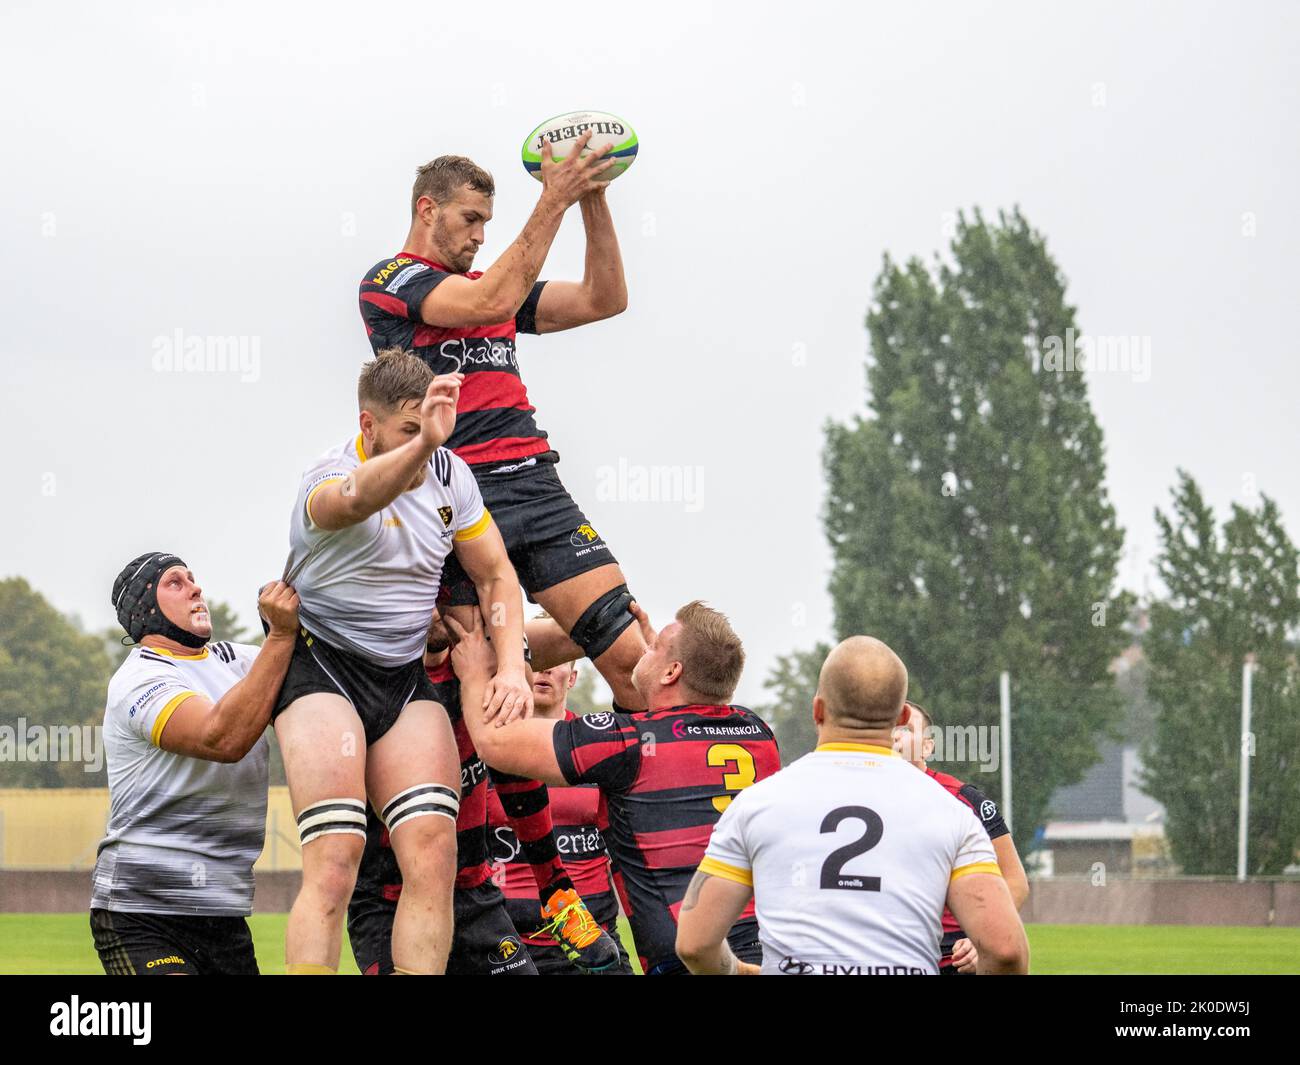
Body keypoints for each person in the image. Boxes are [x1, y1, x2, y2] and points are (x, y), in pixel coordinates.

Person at [357, 139, 647, 711]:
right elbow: (490, 300)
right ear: (427, 209)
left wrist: (591, 197)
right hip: (453, 494)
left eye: (488, 223)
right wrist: (554, 199)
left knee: (635, 664)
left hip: (534, 487)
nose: (480, 236)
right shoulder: (390, 280)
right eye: (471, 219)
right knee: (479, 676)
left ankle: (634, 792)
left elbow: (604, 298)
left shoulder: (497, 289)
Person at [275, 349, 532, 976]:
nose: (427, 446)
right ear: (369, 427)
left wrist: (512, 668)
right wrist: (423, 448)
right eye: (409, 431)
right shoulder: (328, 476)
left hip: (400, 675)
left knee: (433, 853)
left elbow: (496, 575)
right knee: (335, 860)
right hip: (323, 668)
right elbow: (357, 500)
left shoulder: (450, 474)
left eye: (432, 430)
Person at [449, 600, 780, 975]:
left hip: (689, 954)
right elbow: (680, 716)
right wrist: (662, 659)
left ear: (672, 671)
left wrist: (476, 673)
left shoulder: (627, 742)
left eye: (654, 647)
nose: (644, 645)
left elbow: (497, 743)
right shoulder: (758, 733)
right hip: (764, 948)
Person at [675, 637, 1029, 976]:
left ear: (818, 710)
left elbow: (694, 943)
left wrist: (736, 969)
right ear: (902, 715)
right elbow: (1006, 950)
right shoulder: (952, 812)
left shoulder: (755, 804)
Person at [347, 613, 620, 975]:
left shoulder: (480, 662)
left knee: (509, 744)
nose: (434, 610)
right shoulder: (372, 677)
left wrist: (623, 622)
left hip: (474, 893)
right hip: (389, 897)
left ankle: (558, 893)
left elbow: (569, 628)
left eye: (440, 594)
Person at [92, 552, 299, 975]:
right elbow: (221, 738)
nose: (195, 587)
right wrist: (280, 637)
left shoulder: (237, 661)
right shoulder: (139, 678)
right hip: (142, 912)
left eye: (193, 578)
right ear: (145, 610)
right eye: (175, 582)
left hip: (224, 914)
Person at [485, 648, 634, 975]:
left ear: (573, 677)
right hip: (510, 943)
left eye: (555, 664)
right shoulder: (487, 746)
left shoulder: (595, 745)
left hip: (595, 934)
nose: (544, 671)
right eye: (535, 661)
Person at [893, 700, 1030, 974]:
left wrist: (980, 940)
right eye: (888, 727)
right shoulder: (860, 798)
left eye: (907, 728)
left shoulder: (963, 799)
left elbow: (1015, 880)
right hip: (890, 950)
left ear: (927, 746)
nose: (895, 735)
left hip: (953, 956)